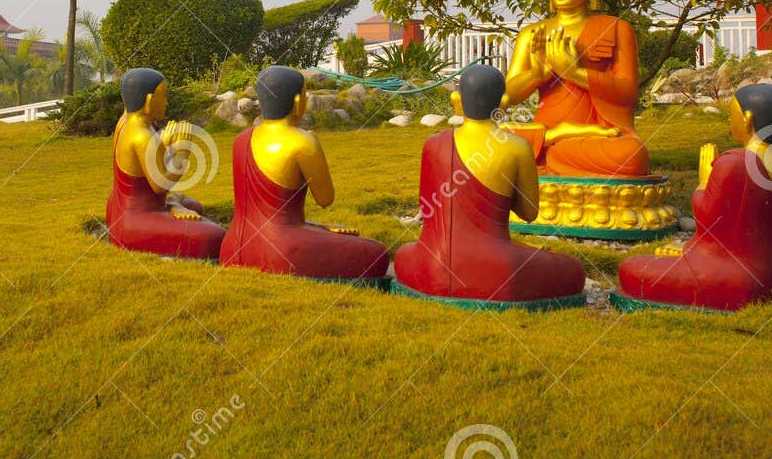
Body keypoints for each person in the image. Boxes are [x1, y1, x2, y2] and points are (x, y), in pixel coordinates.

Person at [393, 64, 587, 307]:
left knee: (403, 254)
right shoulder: (516, 147)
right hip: (497, 269)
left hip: (429, 265)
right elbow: (529, 212)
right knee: (573, 269)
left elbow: (427, 207)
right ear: (504, 103)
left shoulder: (433, 144)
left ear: (457, 100)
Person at [614, 82, 772, 312]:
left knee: (631, 267)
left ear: (747, 119)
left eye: (732, 115)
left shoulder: (733, 163)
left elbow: (708, 220)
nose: (729, 122)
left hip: (731, 276)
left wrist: (704, 181)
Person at [502, 0, 649, 176]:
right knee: (493, 140)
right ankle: (555, 138)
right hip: (546, 129)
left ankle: (553, 149)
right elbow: (508, 96)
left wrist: (573, 71)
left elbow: (627, 93)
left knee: (631, 156)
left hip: (599, 140)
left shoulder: (615, 28)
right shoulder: (533, 33)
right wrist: (536, 76)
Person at [221, 66, 388, 282]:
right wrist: (314, 153)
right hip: (280, 250)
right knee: (376, 253)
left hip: (233, 246)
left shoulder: (241, 140)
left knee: (337, 234)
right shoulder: (303, 142)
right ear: (298, 101)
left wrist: (319, 228)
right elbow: (325, 199)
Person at [105, 68, 225, 260]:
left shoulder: (126, 122)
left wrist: (163, 142)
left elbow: (148, 164)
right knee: (215, 237)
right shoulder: (140, 134)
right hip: (136, 219)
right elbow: (161, 185)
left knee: (194, 206)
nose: (167, 102)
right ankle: (168, 208)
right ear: (149, 101)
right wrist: (182, 150)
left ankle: (171, 205)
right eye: (164, 96)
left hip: (118, 210)